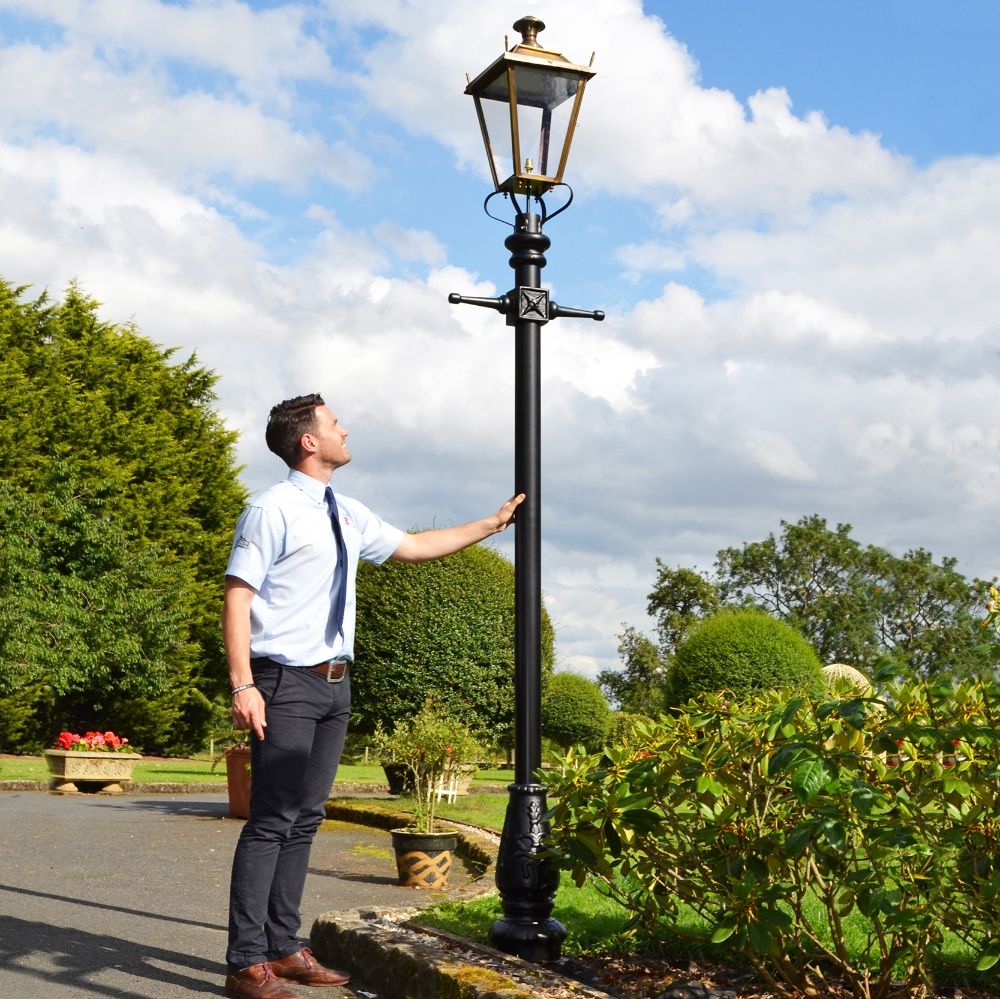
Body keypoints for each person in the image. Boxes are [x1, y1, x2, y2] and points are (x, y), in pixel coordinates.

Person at [221, 392, 523, 999]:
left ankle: (282, 948)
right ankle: (245, 963)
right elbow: (237, 595)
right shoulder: (270, 509)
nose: (346, 430)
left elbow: (412, 546)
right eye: (335, 424)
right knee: (272, 819)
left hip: (335, 684)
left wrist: (490, 525)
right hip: (284, 681)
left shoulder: (347, 512)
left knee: (306, 817)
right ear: (309, 441)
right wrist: (243, 684)